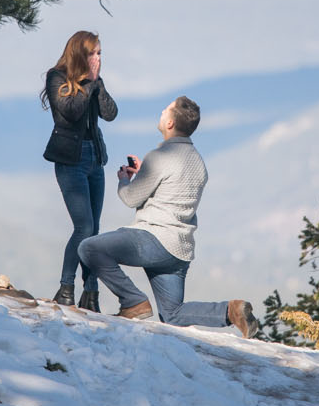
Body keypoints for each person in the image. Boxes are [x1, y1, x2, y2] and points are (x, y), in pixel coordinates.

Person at [77, 96, 259, 337]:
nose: (162, 112)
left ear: (171, 123)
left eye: (166, 110)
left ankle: (132, 301)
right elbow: (171, 191)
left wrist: (124, 180)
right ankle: (230, 311)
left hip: (153, 239)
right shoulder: (198, 161)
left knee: (89, 248)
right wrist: (146, 175)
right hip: (179, 250)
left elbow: (131, 198)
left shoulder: (159, 156)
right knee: (172, 314)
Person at [41, 30, 117, 311]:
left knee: (94, 231)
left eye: (99, 53)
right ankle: (66, 287)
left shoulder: (94, 82)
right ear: (78, 53)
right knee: (82, 226)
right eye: (92, 53)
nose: (97, 58)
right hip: (70, 160)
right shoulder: (56, 77)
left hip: (95, 158)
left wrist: (98, 85)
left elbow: (110, 113)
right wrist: (88, 82)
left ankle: (92, 294)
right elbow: (70, 111)